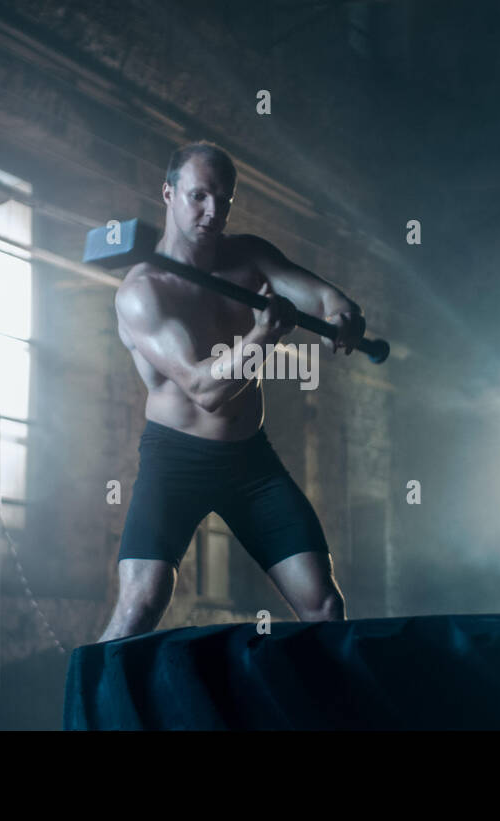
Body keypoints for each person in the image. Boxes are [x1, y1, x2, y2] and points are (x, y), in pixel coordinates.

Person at [98, 141, 365, 642]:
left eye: (223, 200)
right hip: (175, 461)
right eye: (198, 196)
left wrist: (343, 313)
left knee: (325, 606)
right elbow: (204, 389)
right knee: (139, 607)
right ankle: (85, 694)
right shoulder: (144, 291)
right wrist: (263, 335)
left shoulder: (249, 256)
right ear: (168, 193)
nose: (212, 212)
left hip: (250, 463)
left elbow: (323, 296)